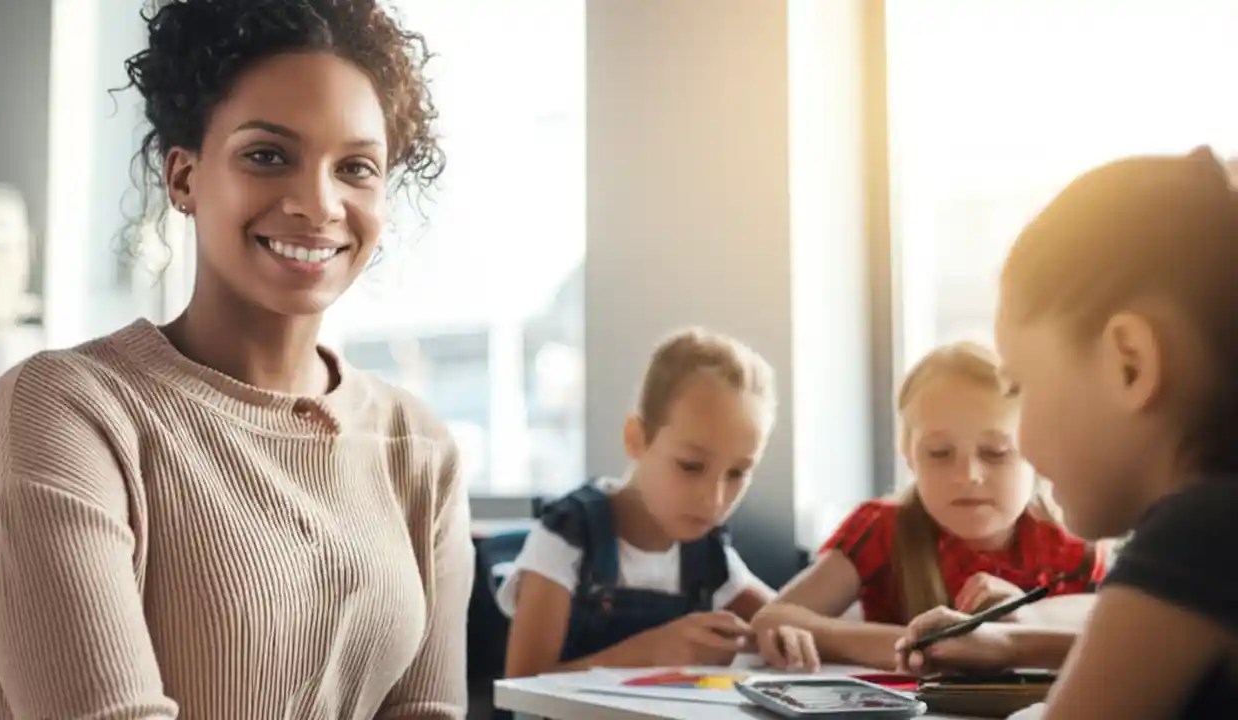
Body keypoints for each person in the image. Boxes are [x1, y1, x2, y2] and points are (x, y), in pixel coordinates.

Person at [0, 1, 472, 717]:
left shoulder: (418, 448)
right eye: (268, 156)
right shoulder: (66, 409)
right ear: (183, 177)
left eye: (356, 167)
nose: (318, 203)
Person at [897, 147, 1238, 718]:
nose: (1022, 440)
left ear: (1129, 362)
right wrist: (1008, 643)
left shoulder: (1196, 535)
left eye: (1023, 383)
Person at [755, 342, 1104, 671]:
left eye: (996, 453)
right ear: (908, 454)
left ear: (1035, 448)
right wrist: (924, 644)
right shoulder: (882, 529)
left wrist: (1026, 619)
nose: (968, 476)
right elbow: (773, 619)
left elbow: (1120, 621)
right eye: (939, 453)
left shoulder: (1073, 542)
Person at [497, 328, 792, 677]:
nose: (713, 499)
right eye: (691, 466)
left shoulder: (711, 557)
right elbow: (521, 687)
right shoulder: (566, 536)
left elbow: (786, 618)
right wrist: (652, 652)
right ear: (636, 439)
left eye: (737, 473)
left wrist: (789, 634)